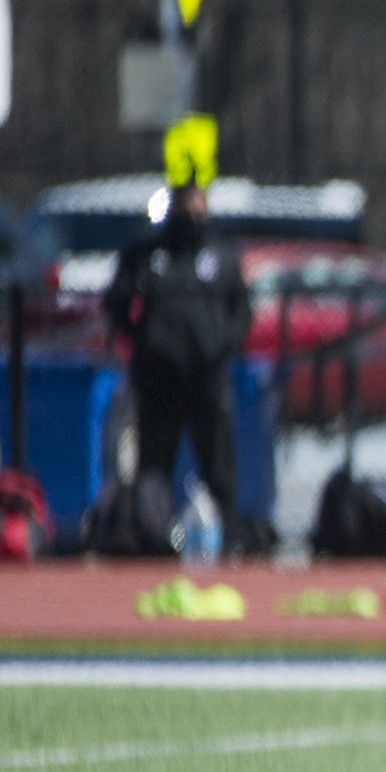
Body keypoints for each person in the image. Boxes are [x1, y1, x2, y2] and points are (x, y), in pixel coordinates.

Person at [103, 175, 249, 527]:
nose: (190, 209)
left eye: (196, 201)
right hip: (159, 377)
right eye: (184, 201)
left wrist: (219, 346)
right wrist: (145, 341)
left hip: (206, 376)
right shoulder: (148, 254)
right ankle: (149, 533)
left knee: (217, 463)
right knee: (153, 465)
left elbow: (242, 311)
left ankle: (225, 537)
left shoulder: (221, 254)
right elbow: (116, 303)